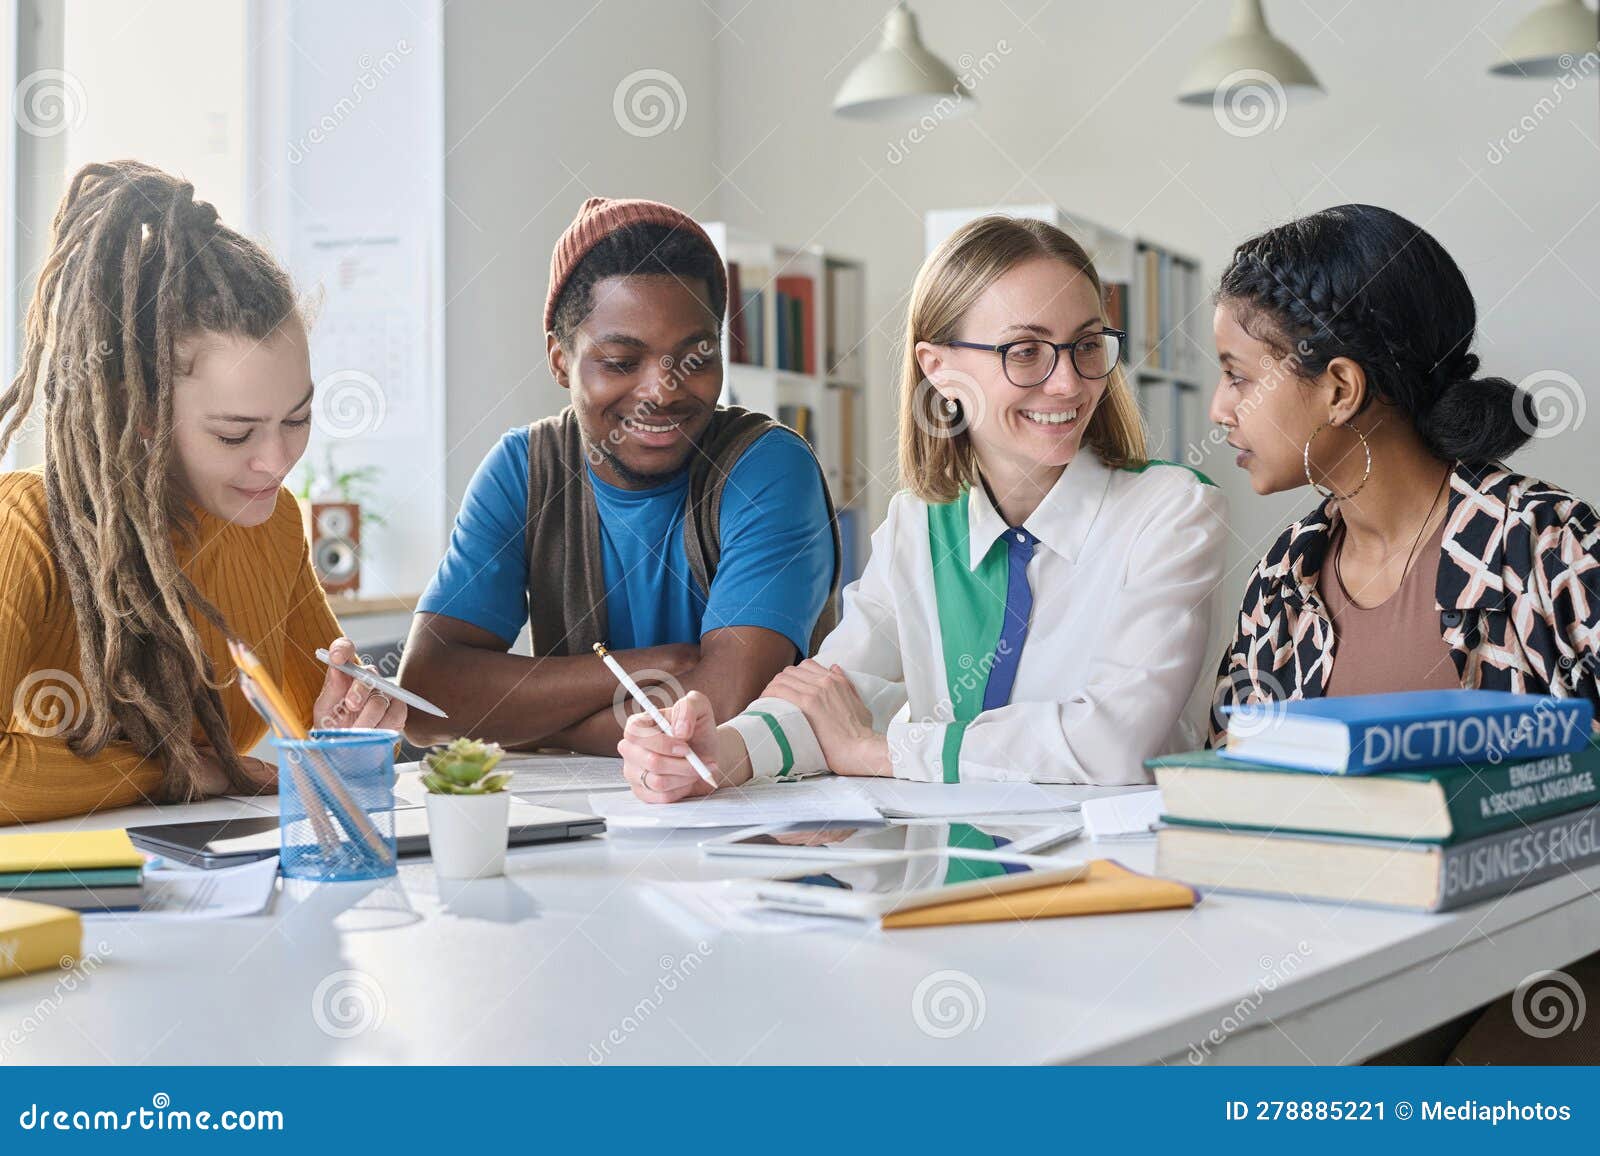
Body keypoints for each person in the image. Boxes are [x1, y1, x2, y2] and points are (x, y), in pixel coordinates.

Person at [616, 214, 1228, 800]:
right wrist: (715, 754)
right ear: (939, 369)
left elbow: (1114, 744)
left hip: (1124, 890)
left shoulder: (1171, 511)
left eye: (1087, 345)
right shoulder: (919, 524)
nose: (1068, 383)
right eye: (1025, 351)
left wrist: (880, 751)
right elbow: (832, 691)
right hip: (960, 882)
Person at [1205, 203, 1600, 1064]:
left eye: (1238, 375)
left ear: (1339, 389)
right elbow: (1235, 806)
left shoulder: (1547, 549)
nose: (1217, 409)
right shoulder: (1283, 582)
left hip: (1550, 984)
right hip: (1337, 983)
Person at [0, 160, 404, 826]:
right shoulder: (24, 533)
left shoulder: (270, 527)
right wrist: (183, 770)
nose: (276, 461)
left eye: (297, 419)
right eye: (235, 433)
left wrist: (353, 724)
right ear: (143, 414)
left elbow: (315, 736)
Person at [399, 197, 839, 755]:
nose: (663, 390)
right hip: (577, 823)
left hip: (752, 824)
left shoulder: (769, 468)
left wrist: (524, 724)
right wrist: (652, 668)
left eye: (696, 357)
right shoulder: (523, 472)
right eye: (621, 362)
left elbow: (720, 712)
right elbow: (426, 700)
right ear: (560, 360)